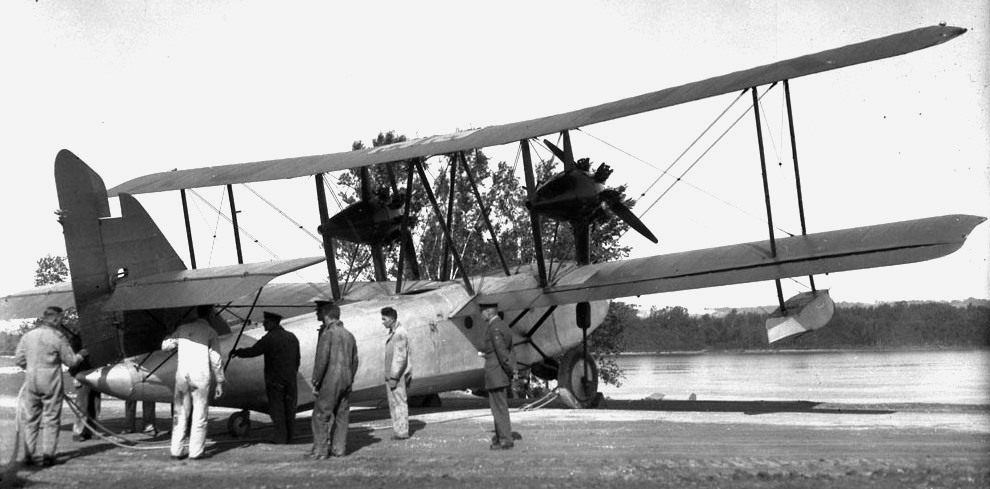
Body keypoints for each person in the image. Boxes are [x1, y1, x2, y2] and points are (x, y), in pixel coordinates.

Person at [14, 306, 88, 466]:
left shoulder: (28, 336)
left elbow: (19, 360)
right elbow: (71, 361)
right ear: (55, 319)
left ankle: (28, 455)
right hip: (51, 381)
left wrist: (33, 367)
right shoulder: (58, 337)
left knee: (31, 419)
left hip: (31, 381)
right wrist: (82, 355)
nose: (61, 323)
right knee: (51, 418)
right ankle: (48, 456)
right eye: (61, 319)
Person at [162, 305, 225, 460]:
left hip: (182, 376)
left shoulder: (182, 329)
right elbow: (216, 359)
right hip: (200, 377)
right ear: (210, 314)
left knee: (180, 413)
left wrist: (169, 334)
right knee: (200, 414)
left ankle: (176, 450)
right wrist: (220, 381)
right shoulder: (211, 332)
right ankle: (196, 452)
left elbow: (165, 346)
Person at [230, 311, 301, 444]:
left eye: (266, 322)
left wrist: (238, 352)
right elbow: (297, 359)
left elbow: (253, 351)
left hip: (275, 381)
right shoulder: (292, 337)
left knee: (277, 409)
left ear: (272, 323)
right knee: (289, 408)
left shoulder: (270, 338)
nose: (263, 324)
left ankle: (280, 438)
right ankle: (290, 436)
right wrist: (291, 374)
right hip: (290, 380)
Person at [309, 301, 358, 459]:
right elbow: (355, 361)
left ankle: (321, 451)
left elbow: (322, 360)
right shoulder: (349, 335)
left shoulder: (328, 334)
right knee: (342, 416)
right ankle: (339, 449)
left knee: (321, 415)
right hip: (346, 381)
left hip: (330, 381)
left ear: (326, 315)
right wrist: (350, 379)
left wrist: (316, 381)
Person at [52, 317, 100, 442]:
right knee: (82, 405)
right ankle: (79, 431)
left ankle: (92, 431)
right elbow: (71, 360)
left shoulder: (96, 340)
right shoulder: (75, 341)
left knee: (95, 405)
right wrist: (75, 376)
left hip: (96, 373)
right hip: (81, 374)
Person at [479, 302, 518, 450]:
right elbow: (507, 351)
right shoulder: (502, 326)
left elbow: (503, 354)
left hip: (496, 374)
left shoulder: (494, 329)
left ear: (489, 312)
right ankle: (501, 438)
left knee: (499, 408)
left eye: (482, 311)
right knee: (498, 408)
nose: (481, 314)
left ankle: (506, 440)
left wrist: (511, 371)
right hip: (498, 373)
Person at [381, 306, 412, 440]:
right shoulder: (394, 332)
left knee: (399, 403)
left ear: (392, 319)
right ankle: (399, 430)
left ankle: (402, 432)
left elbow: (400, 358)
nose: (382, 322)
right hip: (393, 376)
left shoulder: (399, 333)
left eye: (384, 319)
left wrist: (394, 376)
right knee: (395, 403)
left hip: (397, 376)